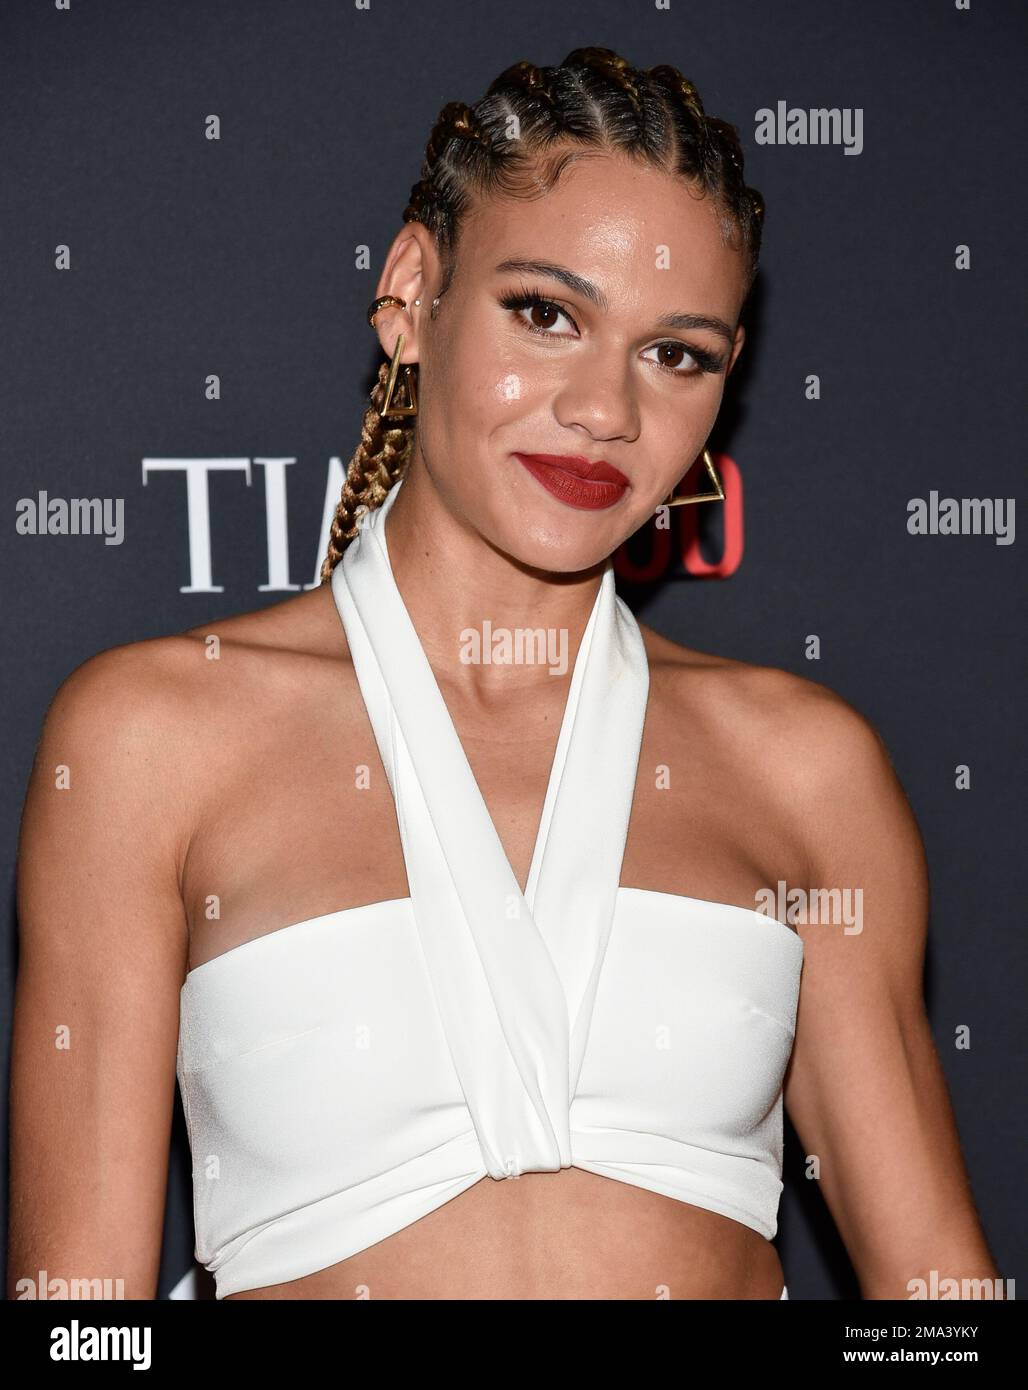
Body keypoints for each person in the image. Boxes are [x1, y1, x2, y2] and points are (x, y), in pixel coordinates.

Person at [9, 46, 1001, 1302]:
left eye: (675, 354)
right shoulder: (152, 735)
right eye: (546, 313)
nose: (603, 408)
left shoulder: (804, 766)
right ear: (410, 290)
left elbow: (940, 1309)